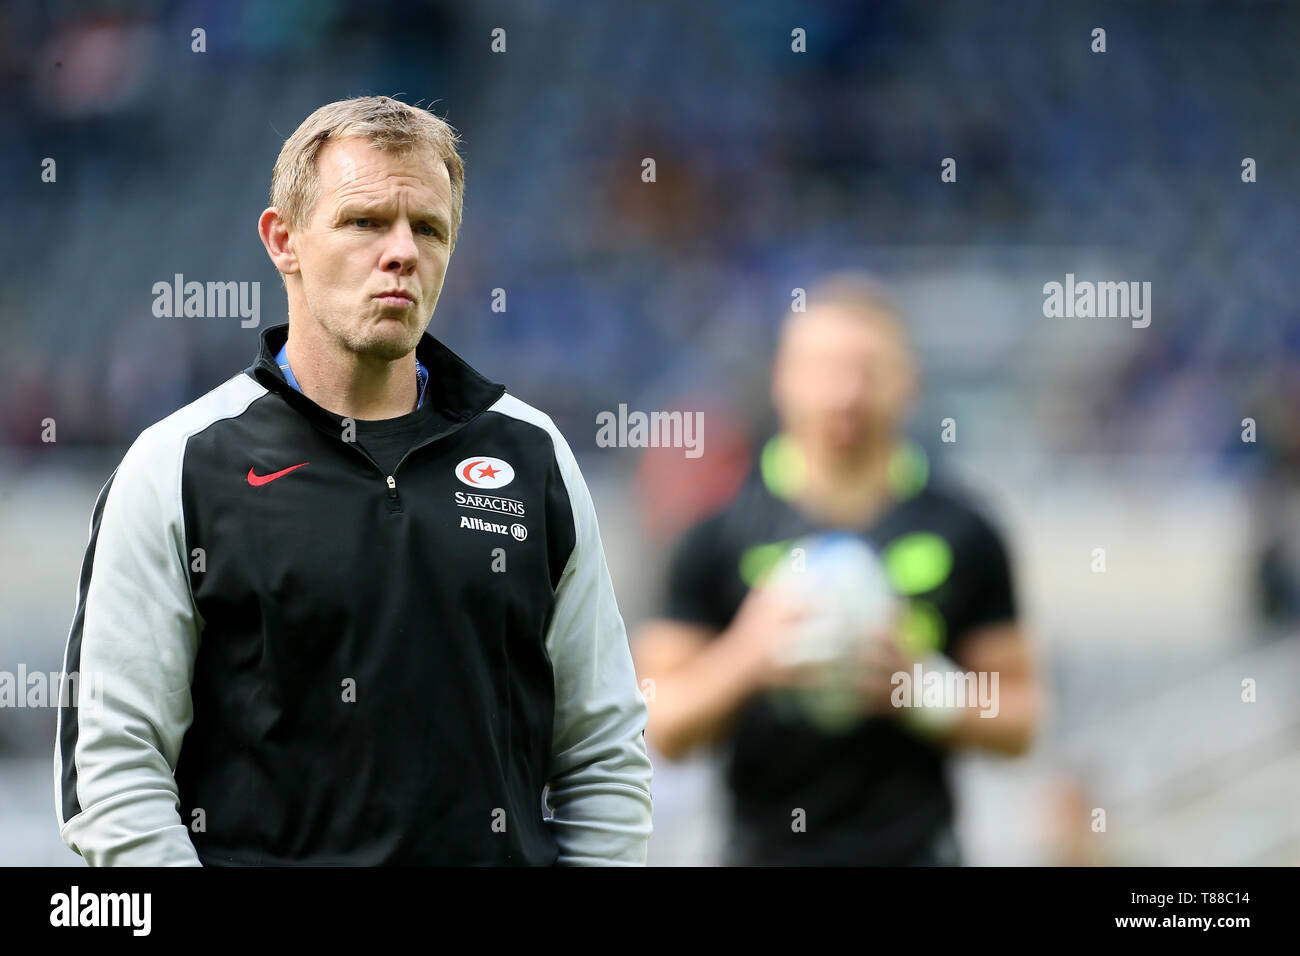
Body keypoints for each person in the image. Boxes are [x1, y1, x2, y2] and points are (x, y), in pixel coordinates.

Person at [54, 95, 653, 866]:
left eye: (429, 229)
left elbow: (602, 754)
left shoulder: (533, 459)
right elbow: (113, 776)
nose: (402, 251)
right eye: (365, 221)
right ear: (284, 241)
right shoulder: (179, 468)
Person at [633, 273, 1042, 865]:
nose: (846, 392)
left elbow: (1024, 719)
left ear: (909, 383)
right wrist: (750, 656)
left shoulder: (966, 531)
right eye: (824, 368)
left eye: (869, 369)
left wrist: (929, 691)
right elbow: (660, 724)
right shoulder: (716, 533)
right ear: (783, 380)